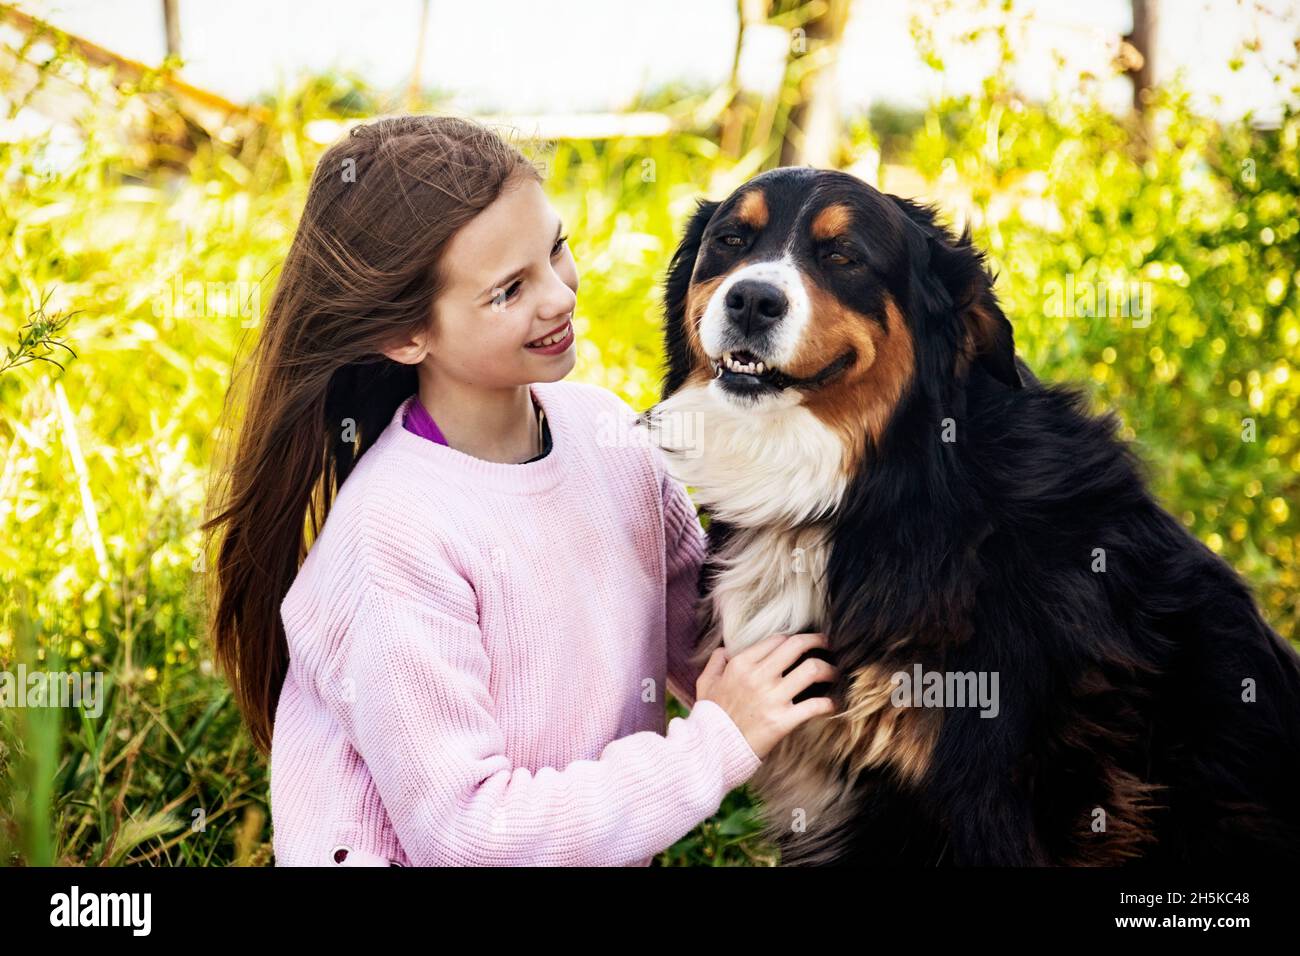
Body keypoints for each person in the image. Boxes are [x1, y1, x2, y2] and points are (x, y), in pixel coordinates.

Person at [203, 114, 838, 866]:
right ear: (407, 336)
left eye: (555, 249)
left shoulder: (608, 437)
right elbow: (470, 838)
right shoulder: (393, 537)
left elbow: (712, 652)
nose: (558, 297)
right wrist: (713, 747)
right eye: (508, 290)